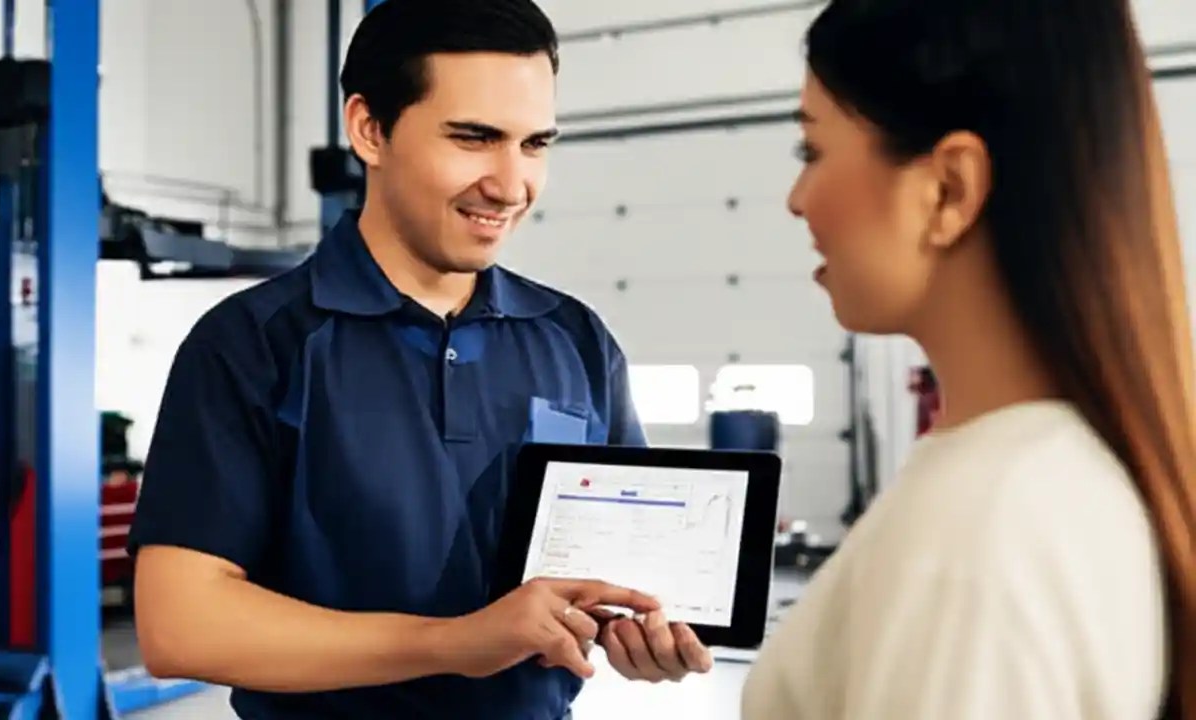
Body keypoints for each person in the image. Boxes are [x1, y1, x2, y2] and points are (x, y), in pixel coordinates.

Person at [128, 0, 713, 718]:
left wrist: (642, 632)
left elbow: (620, 573)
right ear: (369, 129)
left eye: (534, 145)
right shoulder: (255, 344)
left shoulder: (577, 339)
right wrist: (454, 643)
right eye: (474, 138)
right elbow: (180, 626)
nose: (510, 184)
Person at [742, 0, 1196, 718]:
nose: (799, 200)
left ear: (949, 189)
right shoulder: (1052, 479)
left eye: (813, 151)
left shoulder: (980, 534)